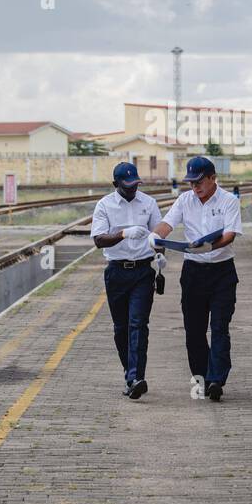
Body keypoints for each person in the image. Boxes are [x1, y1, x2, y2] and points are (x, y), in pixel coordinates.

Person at [150, 156, 242, 402]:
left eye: (199, 182)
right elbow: (167, 224)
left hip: (222, 272)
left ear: (213, 178)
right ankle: (201, 377)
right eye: (191, 182)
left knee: (220, 328)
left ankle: (216, 380)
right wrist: (155, 237)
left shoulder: (229, 201)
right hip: (193, 273)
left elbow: (231, 234)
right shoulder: (184, 200)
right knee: (194, 330)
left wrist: (209, 248)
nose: (195, 187)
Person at [90, 162, 162, 399]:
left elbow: (158, 235)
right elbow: (99, 239)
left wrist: (160, 254)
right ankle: (129, 372)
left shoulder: (149, 204)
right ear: (116, 184)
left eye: (136, 185)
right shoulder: (105, 205)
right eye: (127, 186)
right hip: (117, 272)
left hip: (142, 271)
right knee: (121, 328)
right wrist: (123, 233)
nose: (133, 189)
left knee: (138, 324)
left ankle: (136, 377)